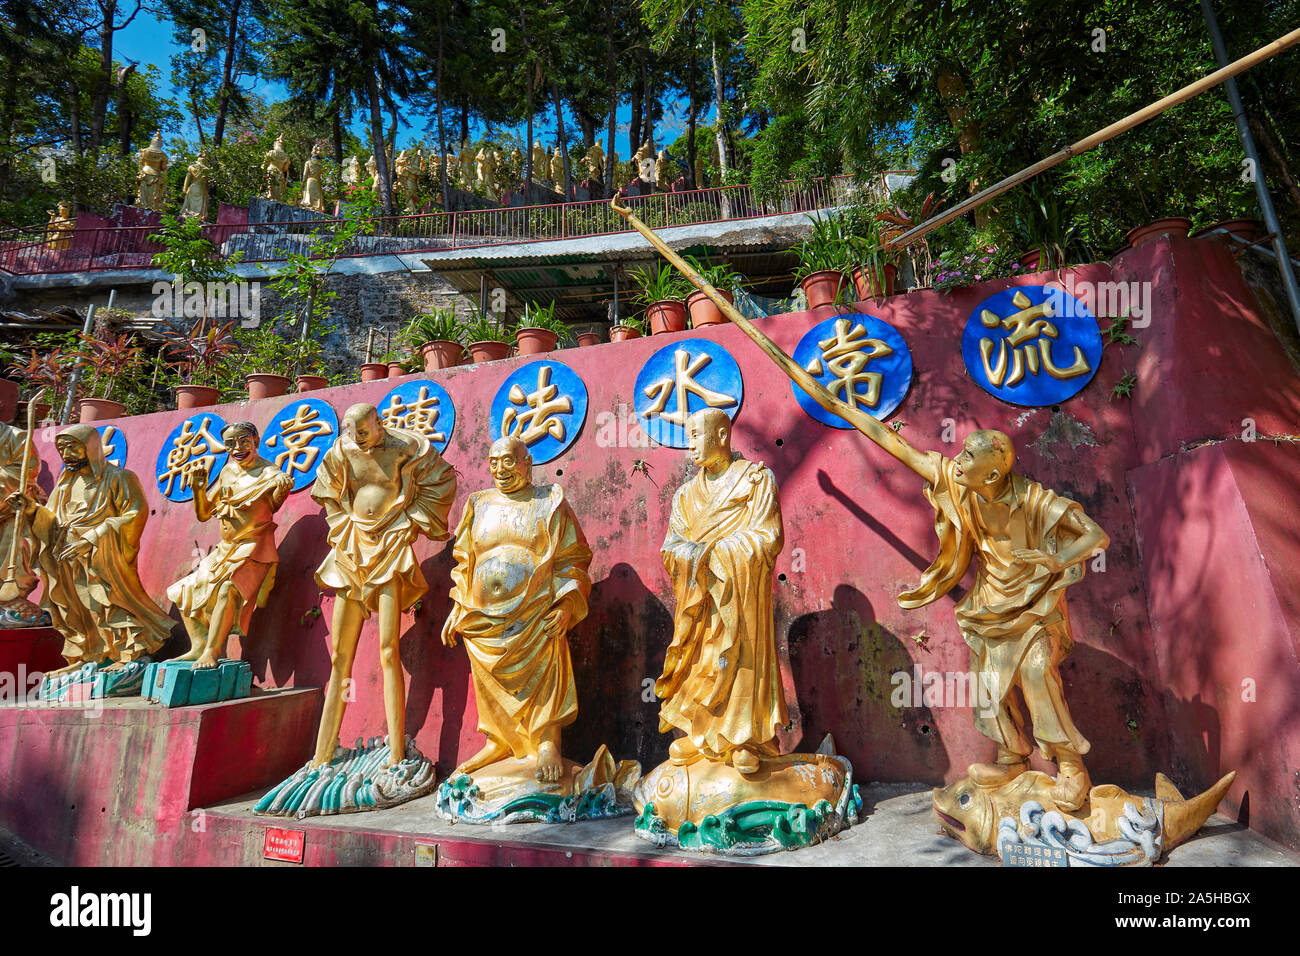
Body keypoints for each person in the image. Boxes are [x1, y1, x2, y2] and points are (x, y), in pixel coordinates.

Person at [309, 403, 457, 768]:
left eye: (363, 432)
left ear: (379, 424)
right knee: (340, 658)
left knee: (388, 651)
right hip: (353, 545)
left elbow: (443, 480)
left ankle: (395, 754)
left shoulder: (407, 447)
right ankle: (322, 753)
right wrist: (342, 523)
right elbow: (328, 490)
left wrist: (411, 521)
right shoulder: (343, 450)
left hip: (391, 545)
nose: (357, 439)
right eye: (351, 433)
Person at [441, 436, 592, 784]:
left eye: (508, 461)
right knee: (488, 679)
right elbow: (466, 561)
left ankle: (546, 743)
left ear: (527, 463)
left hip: (535, 610)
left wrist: (567, 604)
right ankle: (499, 740)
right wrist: (457, 605)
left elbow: (573, 560)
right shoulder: (477, 504)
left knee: (546, 663)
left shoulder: (549, 502)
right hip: (483, 615)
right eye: (493, 462)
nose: (500, 469)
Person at [656, 408, 787, 776]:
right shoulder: (685, 495)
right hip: (700, 600)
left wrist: (720, 554)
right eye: (689, 436)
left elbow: (767, 537)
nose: (691, 444)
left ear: (722, 437)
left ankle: (746, 737)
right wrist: (697, 559)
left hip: (740, 595)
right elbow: (672, 547)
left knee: (738, 659)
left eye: (698, 435)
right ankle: (702, 736)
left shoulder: (756, 480)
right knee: (703, 662)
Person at [11, 425, 172, 675]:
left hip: (100, 555)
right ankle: (90, 653)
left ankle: (127, 652)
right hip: (66, 556)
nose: (67, 454)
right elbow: (52, 520)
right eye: (62, 449)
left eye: (73, 447)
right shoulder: (65, 486)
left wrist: (93, 538)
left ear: (91, 447)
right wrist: (31, 509)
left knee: (105, 601)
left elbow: (134, 514)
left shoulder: (120, 478)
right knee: (75, 608)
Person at [167, 421, 293, 669]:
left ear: (256, 440)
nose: (237, 448)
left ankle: (212, 652)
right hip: (225, 549)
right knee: (185, 590)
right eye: (230, 444)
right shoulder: (227, 472)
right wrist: (198, 489)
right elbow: (204, 514)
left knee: (228, 590)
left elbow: (276, 502)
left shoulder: (270, 473)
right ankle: (198, 647)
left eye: (243, 441)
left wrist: (282, 488)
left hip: (253, 548)